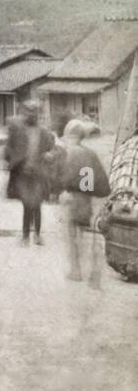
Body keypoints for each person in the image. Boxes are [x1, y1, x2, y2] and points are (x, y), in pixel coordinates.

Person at [58, 119, 111, 287]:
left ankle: (76, 271)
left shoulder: (68, 153)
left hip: (72, 198)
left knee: (71, 235)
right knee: (84, 235)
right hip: (85, 200)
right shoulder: (90, 154)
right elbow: (100, 183)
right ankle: (92, 274)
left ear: (71, 135)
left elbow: (62, 178)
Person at [4, 100, 52, 245]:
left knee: (37, 204)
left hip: (38, 173)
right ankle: (25, 237)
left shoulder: (43, 131)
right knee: (27, 204)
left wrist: (48, 155)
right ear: (24, 113)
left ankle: (37, 235)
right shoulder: (18, 130)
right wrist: (13, 160)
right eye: (29, 111)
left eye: (34, 111)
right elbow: (9, 148)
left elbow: (51, 147)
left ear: (37, 114)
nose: (32, 114)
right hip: (23, 173)